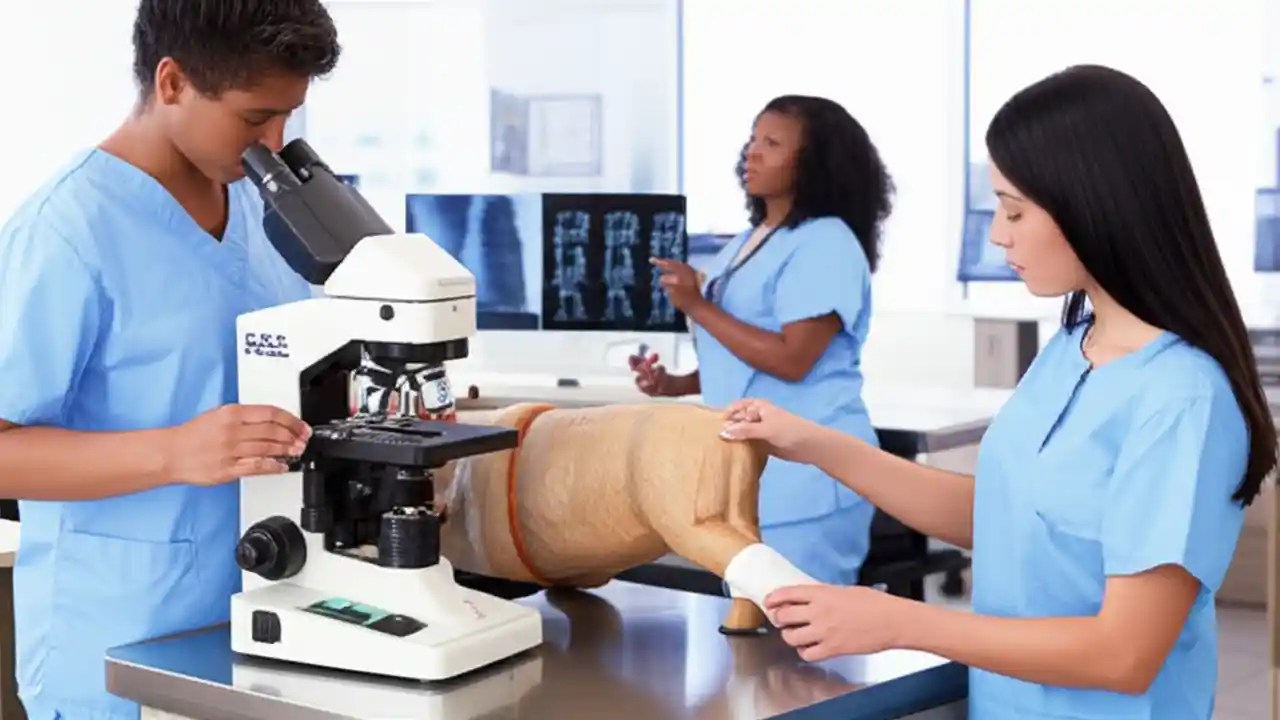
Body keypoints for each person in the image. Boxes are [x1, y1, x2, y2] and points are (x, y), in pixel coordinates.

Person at [719, 64, 1277, 720]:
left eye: (1014, 209)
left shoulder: (1181, 399)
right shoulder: (1074, 348)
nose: (996, 234)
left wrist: (899, 621)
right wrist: (813, 443)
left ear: (1095, 204)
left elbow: (1124, 653)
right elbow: (1002, 515)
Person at [0, 2, 341, 717]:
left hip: (261, 638)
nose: (274, 143)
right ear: (173, 82)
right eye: (255, 119)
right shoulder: (66, 232)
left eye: (288, 117)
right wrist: (175, 452)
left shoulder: (258, 207)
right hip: (116, 654)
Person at [636, 95, 895, 586]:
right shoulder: (754, 238)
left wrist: (698, 305)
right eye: (753, 140)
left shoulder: (825, 242)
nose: (752, 153)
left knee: (797, 638)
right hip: (754, 475)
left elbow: (794, 359)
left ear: (815, 163)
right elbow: (742, 355)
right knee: (752, 639)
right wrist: (676, 383)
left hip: (808, 480)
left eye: (772, 143)